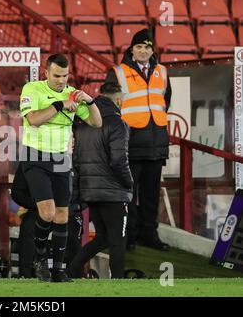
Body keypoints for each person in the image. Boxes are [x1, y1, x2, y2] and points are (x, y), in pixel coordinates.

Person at [19, 53, 102, 282]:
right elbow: (33, 119)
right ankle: (40, 256)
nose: (61, 80)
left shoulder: (73, 93)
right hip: (34, 155)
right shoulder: (32, 89)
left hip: (61, 158)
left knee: (63, 214)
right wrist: (59, 105)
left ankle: (57, 269)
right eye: (57, 75)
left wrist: (90, 101)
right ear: (46, 72)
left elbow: (97, 122)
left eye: (65, 75)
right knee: (47, 212)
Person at [105, 29, 171, 252]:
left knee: (152, 194)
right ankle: (128, 237)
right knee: (128, 194)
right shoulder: (118, 72)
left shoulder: (162, 71)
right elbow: (109, 106)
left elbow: (165, 102)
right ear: (131, 50)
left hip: (156, 144)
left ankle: (149, 235)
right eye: (139, 47)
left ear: (153, 50)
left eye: (147, 47)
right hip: (130, 144)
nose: (143, 51)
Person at [67, 82, 133, 279]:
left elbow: (76, 161)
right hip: (113, 191)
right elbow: (119, 159)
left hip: (91, 191)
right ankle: (118, 282)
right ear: (119, 101)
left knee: (103, 238)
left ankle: (72, 270)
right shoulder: (117, 123)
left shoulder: (84, 123)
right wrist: (129, 182)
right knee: (118, 240)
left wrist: (80, 192)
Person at [11, 162, 84, 278]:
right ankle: (26, 274)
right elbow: (17, 192)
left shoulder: (76, 160)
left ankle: (72, 274)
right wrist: (39, 205)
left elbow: (86, 188)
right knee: (29, 227)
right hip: (37, 210)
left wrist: (77, 207)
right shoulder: (32, 159)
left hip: (69, 210)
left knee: (73, 228)